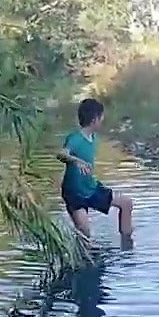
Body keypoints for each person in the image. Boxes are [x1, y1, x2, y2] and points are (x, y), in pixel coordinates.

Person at [56, 98, 133, 243]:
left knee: (126, 203)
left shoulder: (93, 137)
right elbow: (61, 154)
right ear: (94, 120)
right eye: (101, 117)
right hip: (75, 194)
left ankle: (127, 245)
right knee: (85, 234)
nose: (103, 120)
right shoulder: (75, 138)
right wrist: (76, 161)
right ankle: (80, 254)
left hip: (90, 188)